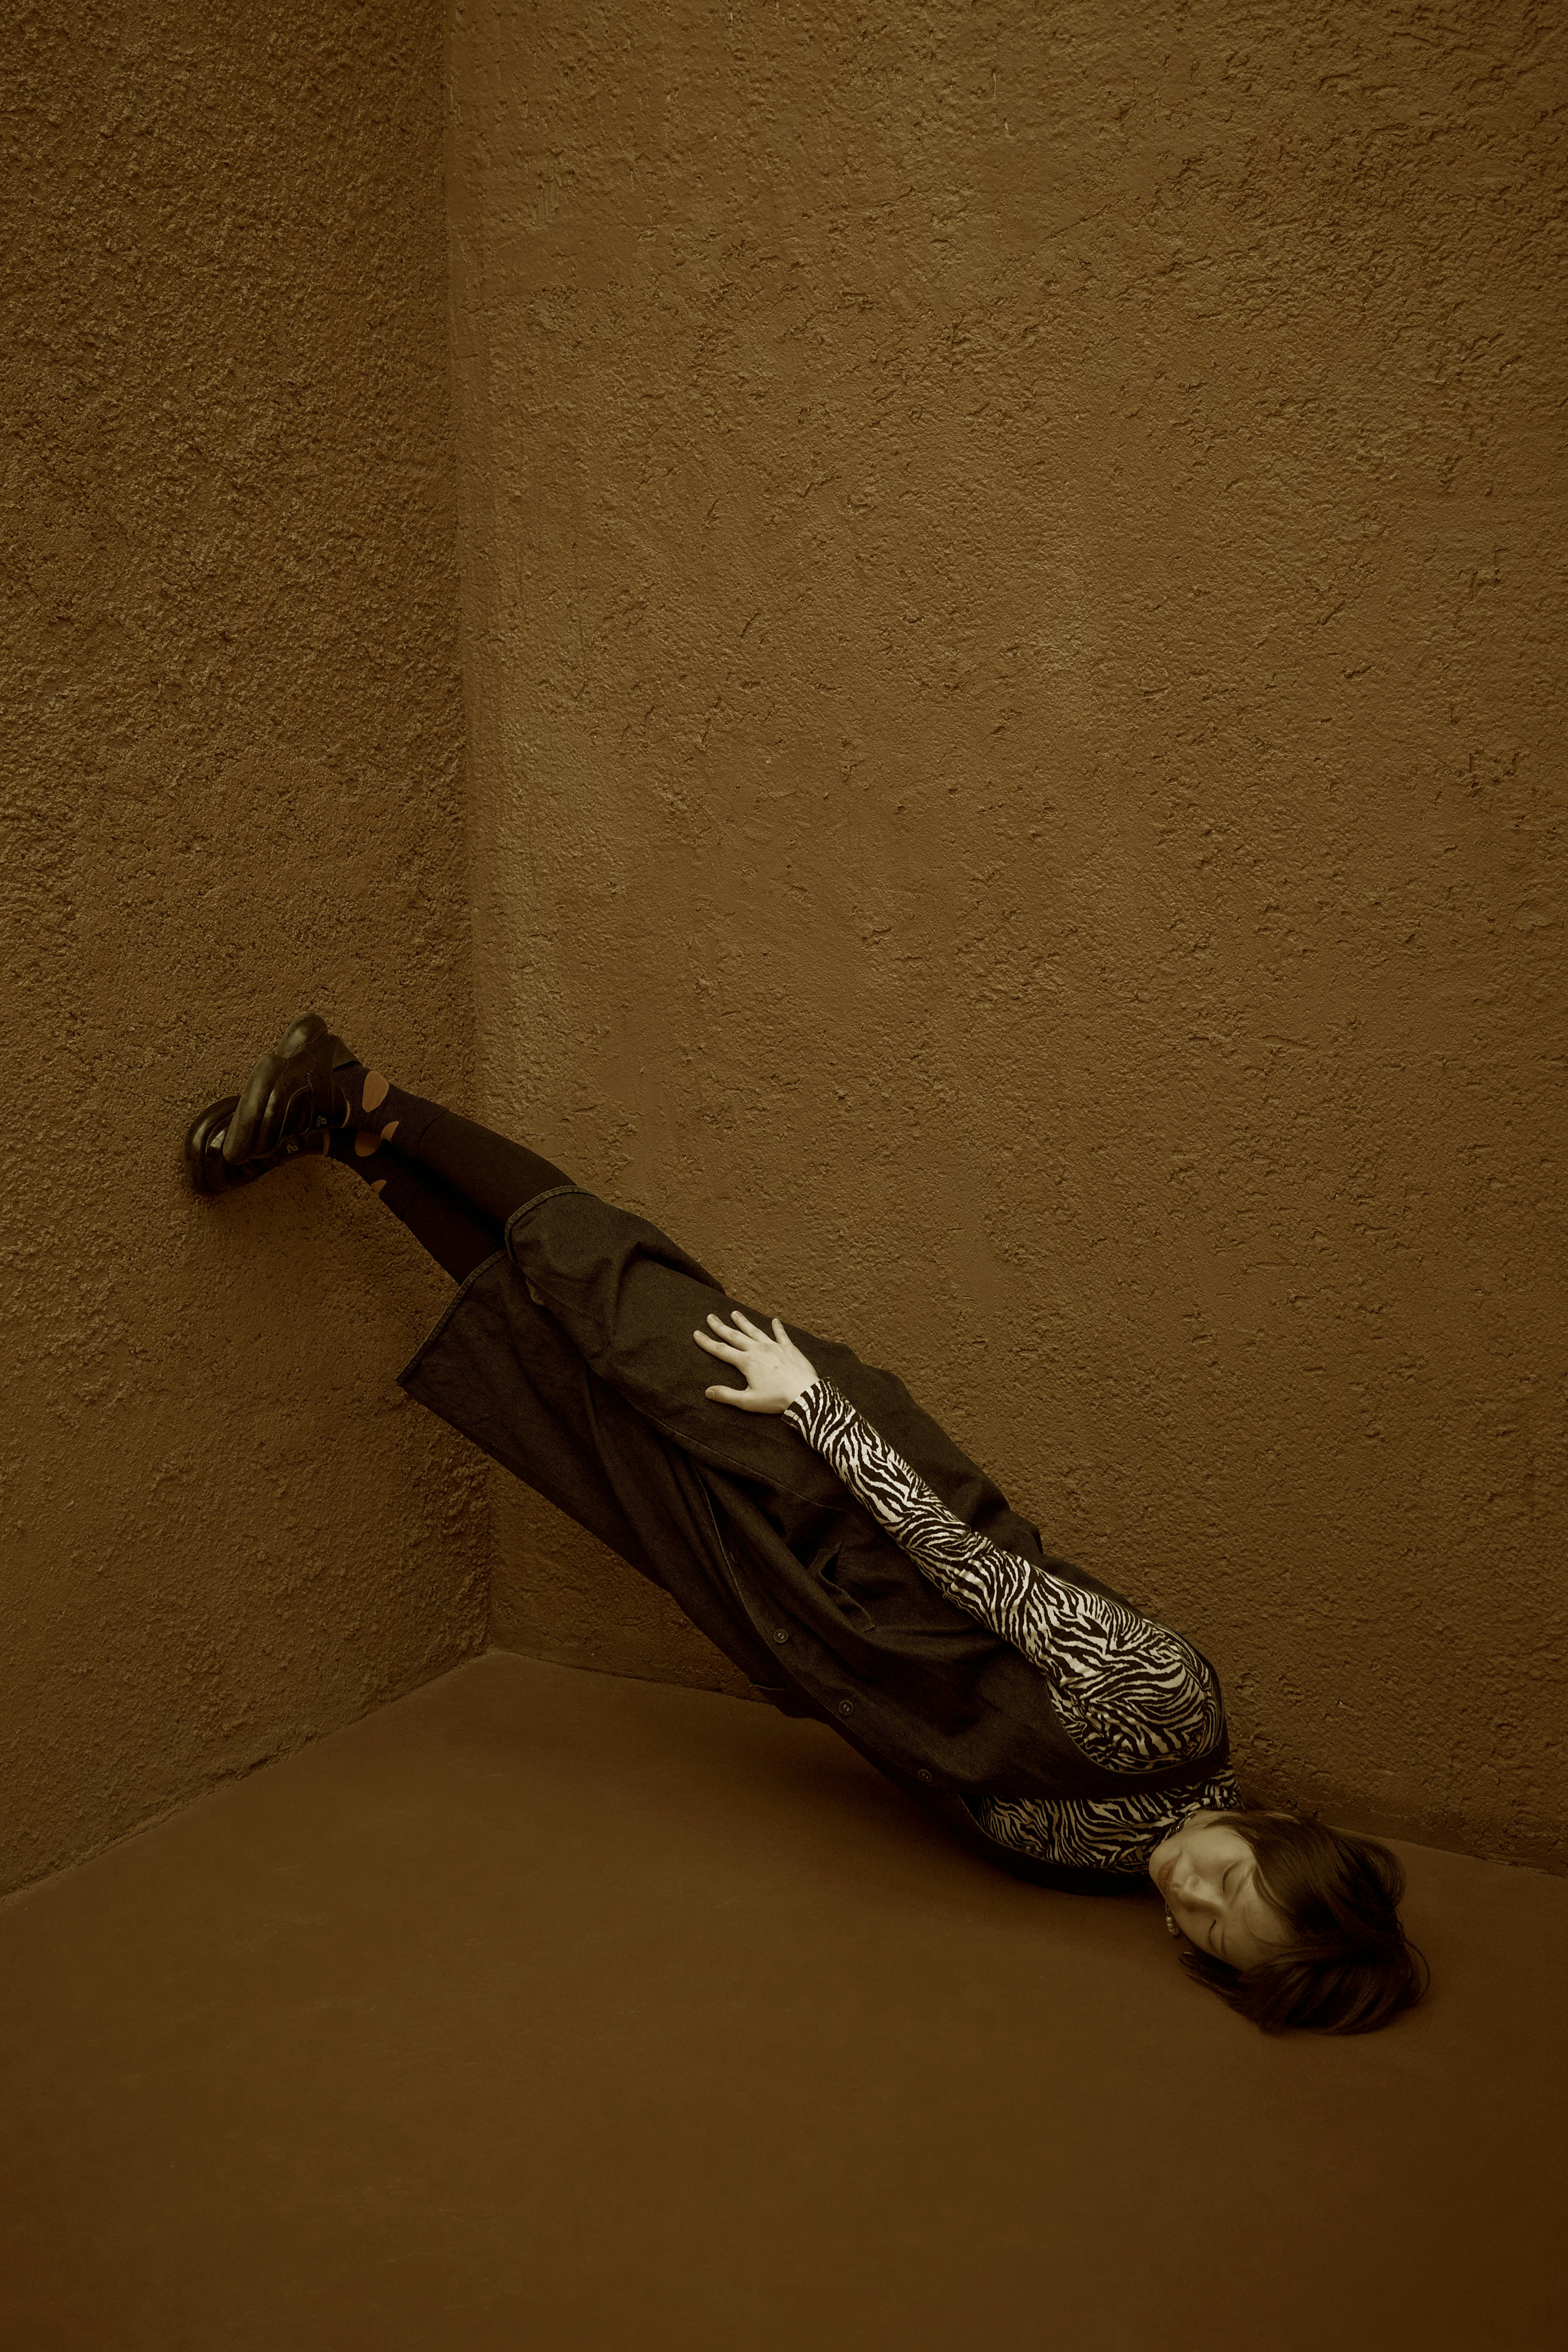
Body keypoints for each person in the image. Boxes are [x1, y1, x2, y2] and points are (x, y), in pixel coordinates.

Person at [186, 1012, 1428, 2036]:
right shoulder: (1169, 1707)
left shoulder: (1101, 1858)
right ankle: (353, 1086)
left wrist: (777, 1649)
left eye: (1209, 1933)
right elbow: (974, 1568)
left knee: (565, 1390)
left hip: (791, 1605)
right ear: (1279, 1834)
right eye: (1233, 1885)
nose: (1192, 1898)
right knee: (614, 1296)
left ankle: (341, 1141)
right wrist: (816, 1408)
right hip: (849, 1486)